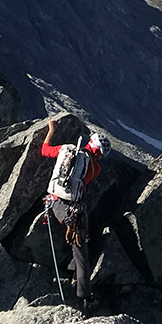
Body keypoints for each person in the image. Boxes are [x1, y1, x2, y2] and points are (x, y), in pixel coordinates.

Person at [41, 115, 111, 310]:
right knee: (82, 252)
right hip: (72, 212)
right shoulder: (94, 169)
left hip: (53, 204)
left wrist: (51, 131)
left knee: (79, 246)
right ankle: (84, 296)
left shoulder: (65, 149)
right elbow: (83, 185)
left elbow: (44, 150)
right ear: (98, 152)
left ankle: (72, 271)